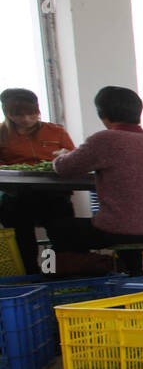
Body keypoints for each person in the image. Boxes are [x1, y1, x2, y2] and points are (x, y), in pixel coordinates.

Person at [45, 86, 143, 276]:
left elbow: (64, 168)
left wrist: (61, 156)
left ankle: (74, 283)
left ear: (103, 114)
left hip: (117, 229)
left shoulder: (105, 139)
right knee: (128, 223)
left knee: (58, 227)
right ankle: (133, 276)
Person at [0, 88, 75, 274]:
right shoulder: (2, 135)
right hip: (17, 196)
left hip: (54, 194)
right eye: (18, 115)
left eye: (31, 114)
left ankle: (56, 272)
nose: (26, 119)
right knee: (22, 235)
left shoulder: (55, 132)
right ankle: (30, 274)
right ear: (7, 113)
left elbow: (74, 158)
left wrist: (65, 156)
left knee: (62, 232)